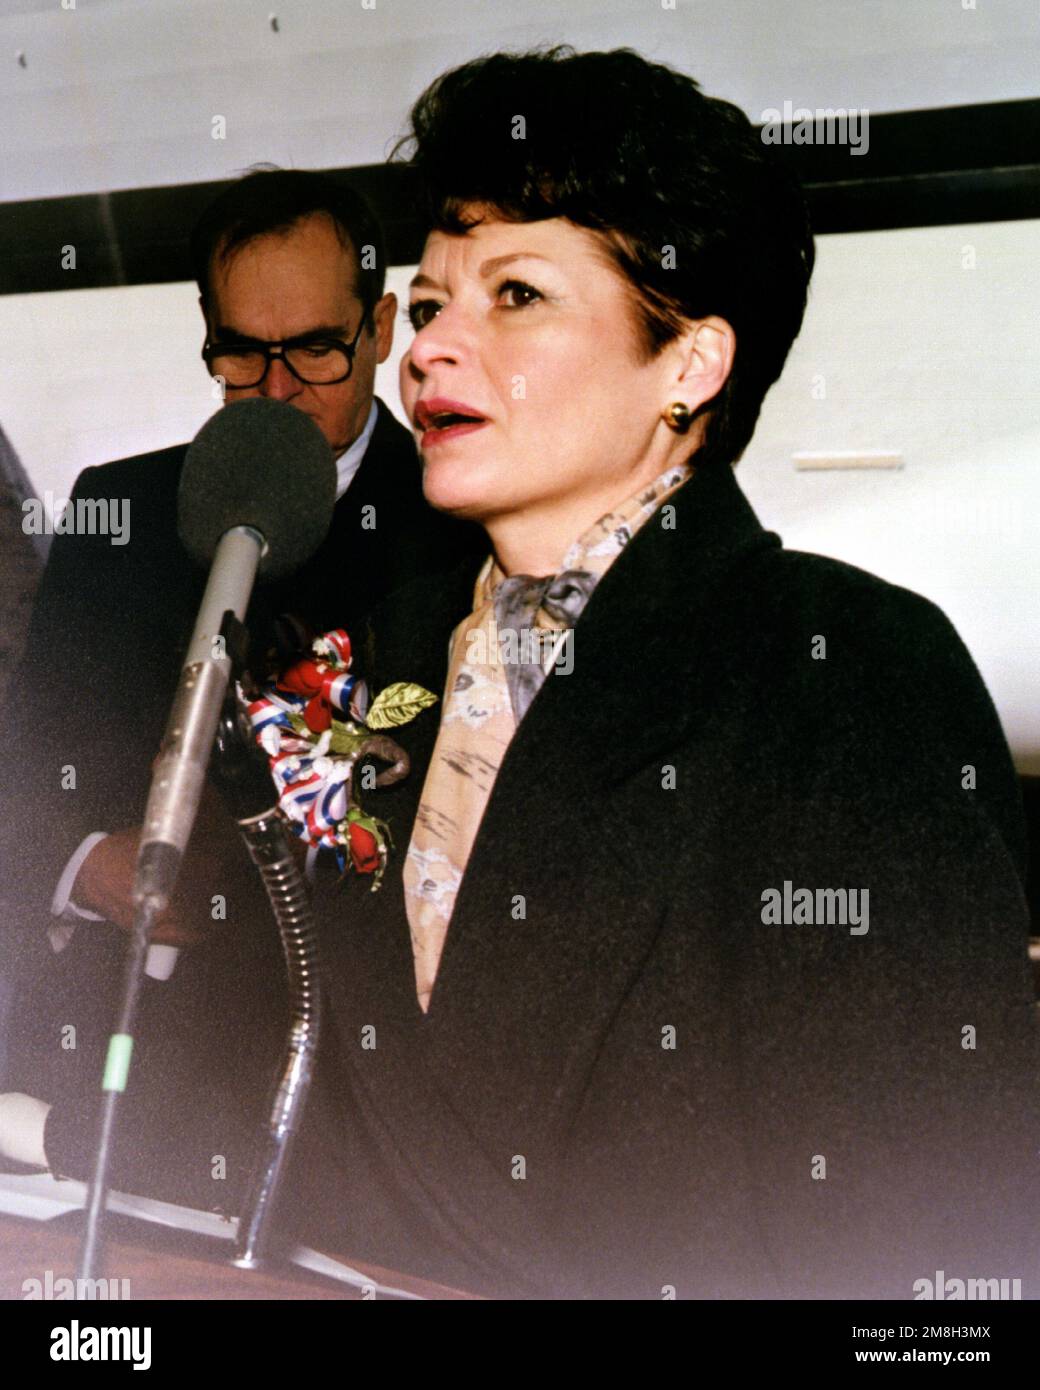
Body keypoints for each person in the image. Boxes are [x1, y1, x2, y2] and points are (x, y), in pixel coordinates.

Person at [11, 47, 1040, 1301]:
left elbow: (918, 1250)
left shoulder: (840, 675)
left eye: (514, 297)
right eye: (435, 302)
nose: (431, 352)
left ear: (687, 365)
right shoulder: (381, 651)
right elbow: (319, 1096)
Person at [0, 169, 482, 1144]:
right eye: (240, 353)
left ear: (380, 329)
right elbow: (23, 769)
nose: (274, 389)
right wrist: (91, 864)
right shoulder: (120, 513)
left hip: (358, 1106)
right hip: (89, 1078)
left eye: (313, 348)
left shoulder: (472, 531)